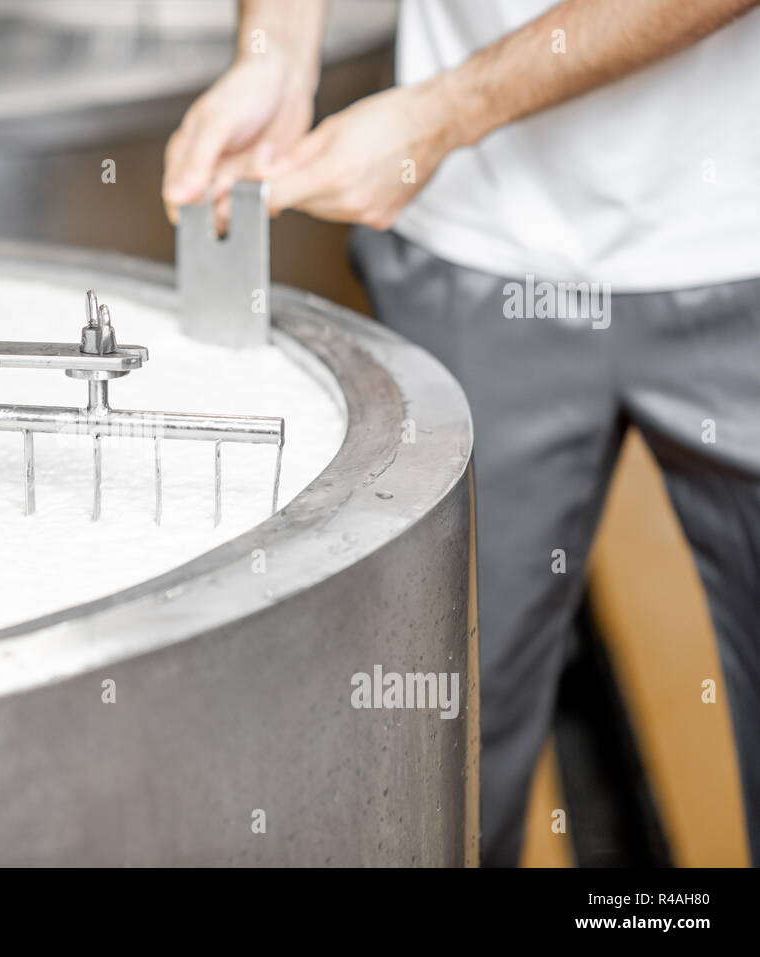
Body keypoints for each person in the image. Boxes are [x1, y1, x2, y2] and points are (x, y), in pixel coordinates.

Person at [163, 0, 760, 866]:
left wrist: (447, 113)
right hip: (465, 243)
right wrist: (275, 51)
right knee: (442, 751)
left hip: (740, 236)